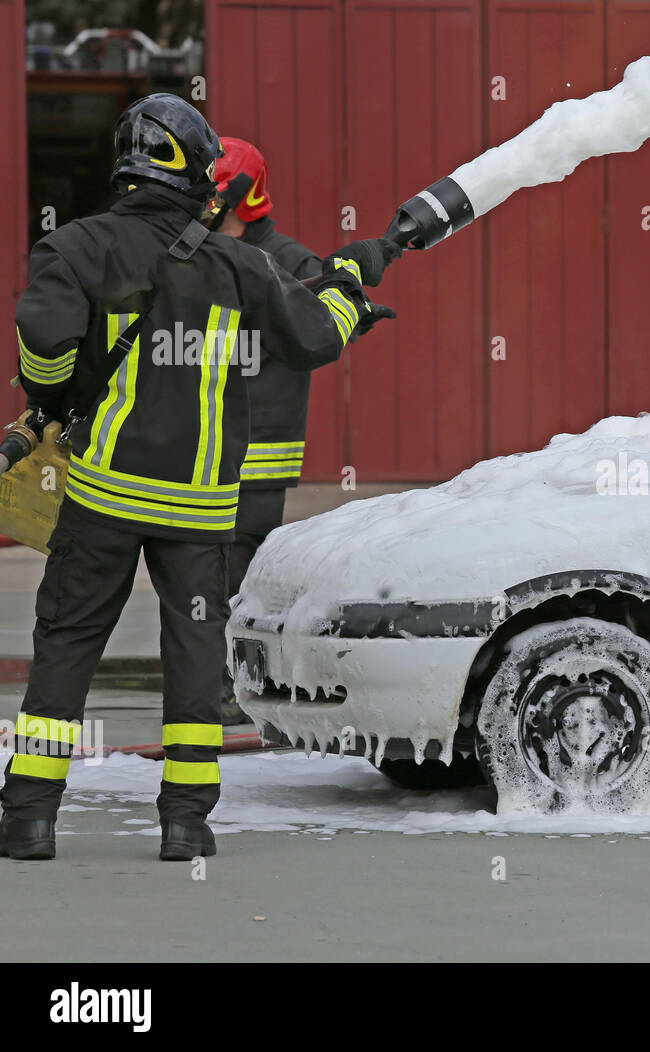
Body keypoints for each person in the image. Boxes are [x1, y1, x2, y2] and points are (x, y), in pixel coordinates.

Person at [0, 93, 399, 861]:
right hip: (199, 510)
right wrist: (350, 297)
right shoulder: (237, 263)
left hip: (103, 499)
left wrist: (49, 398)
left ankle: (29, 819)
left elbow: (44, 341)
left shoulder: (77, 248)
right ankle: (186, 823)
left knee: (67, 646)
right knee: (192, 655)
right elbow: (315, 335)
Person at [206, 138, 322, 725]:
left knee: (238, 560)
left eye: (215, 205)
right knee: (199, 562)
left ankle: (229, 685)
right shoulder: (199, 254)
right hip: (201, 443)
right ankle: (209, 680)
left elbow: (319, 332)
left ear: (245, 201)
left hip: (260, 447)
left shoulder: (292, 262)